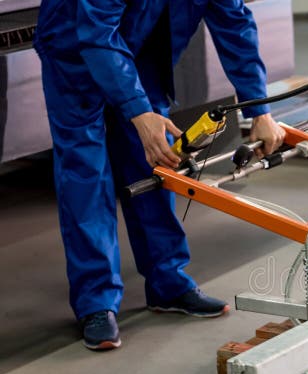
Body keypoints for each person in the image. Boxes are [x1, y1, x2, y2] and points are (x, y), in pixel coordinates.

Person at [34, 1, 286, 350]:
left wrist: (259, 109)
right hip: (73, 48)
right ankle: (96, 302)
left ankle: (167, 281)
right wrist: (138, 111)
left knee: (155, 161)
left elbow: (233, 20)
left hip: (142, 46)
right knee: (86, 175)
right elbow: (96, 34)